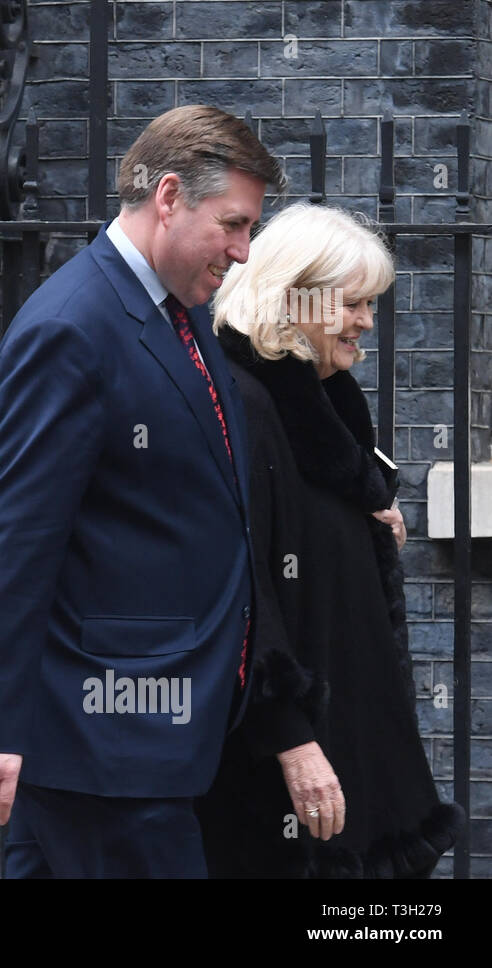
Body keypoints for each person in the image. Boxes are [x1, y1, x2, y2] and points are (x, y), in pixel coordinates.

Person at [0, 105, 285, 877]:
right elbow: (11, 540)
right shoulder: (72, 326)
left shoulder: (179, 310)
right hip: (108, 737)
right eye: (232, 224)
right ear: (168, 196)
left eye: (250, 229)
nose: (242, 249)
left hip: (151, 732)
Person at [198, 202, 464, 876]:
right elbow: (245, 591)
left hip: (354, 746)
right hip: (285, 773)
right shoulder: (247, 405)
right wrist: (290, 735)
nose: (367, 322)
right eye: (353, 304)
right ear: (296, 298)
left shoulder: (325, 406)